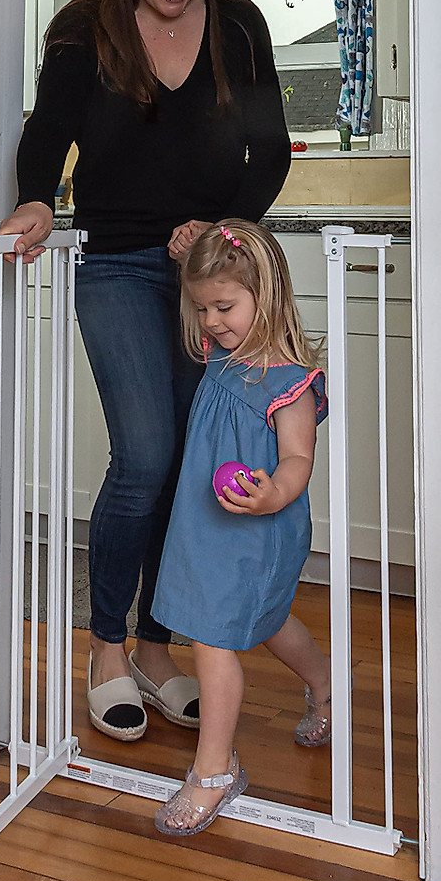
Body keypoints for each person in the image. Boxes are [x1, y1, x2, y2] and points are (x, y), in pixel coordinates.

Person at [0, 0, 291, 742]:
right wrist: (37, 198)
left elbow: (268, 148)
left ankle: (159, 649)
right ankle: (105, 645)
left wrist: (226, 226)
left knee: (195, 460)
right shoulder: (84, 30)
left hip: (211, 271)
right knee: (147, 453)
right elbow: (48, 133)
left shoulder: (238, 26)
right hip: (119, 264)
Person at [151, 220, 332, 837]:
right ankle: (326, 683)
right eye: (201, 308)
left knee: (212, 636)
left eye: (224, 307)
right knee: (270, 619)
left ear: (268, 296)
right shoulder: (221, 358)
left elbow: (298, 462)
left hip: (257, 523)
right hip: (207, 521)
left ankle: (214, 769)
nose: (211, 322)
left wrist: (271, 494)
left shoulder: (291, 383)